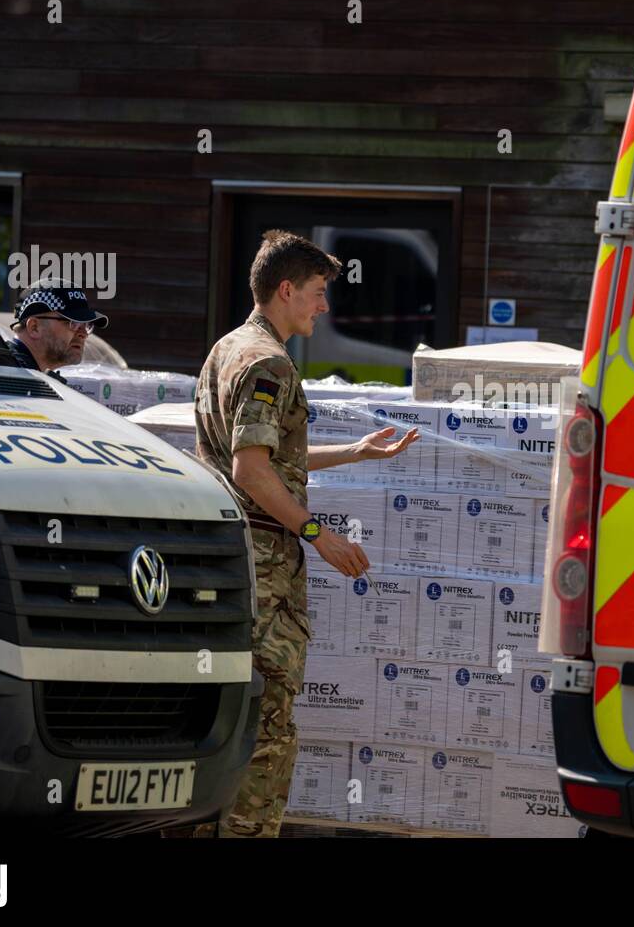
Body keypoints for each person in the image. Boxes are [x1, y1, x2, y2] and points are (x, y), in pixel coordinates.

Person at [191, 229, 417, 838]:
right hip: (263, 569)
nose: (324, 306)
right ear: (285, 290)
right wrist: (321, 534)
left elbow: (261, 454)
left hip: (227, 560)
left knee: (224, 719)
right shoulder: (269, 363)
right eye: (317, 293)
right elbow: (251, 470)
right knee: (266, 729)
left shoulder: (228, 349)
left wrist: (356, 453)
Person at [8, 277, 108, 380]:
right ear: (34, 327)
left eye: (86, 325)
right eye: (73, 323)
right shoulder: (8, 374)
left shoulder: (23, 373)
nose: (83, 334)